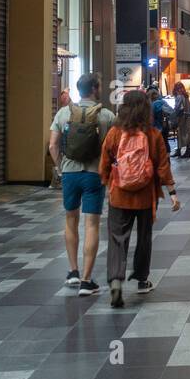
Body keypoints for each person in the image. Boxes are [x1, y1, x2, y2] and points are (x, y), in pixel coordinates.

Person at [99, 90, 179, 308]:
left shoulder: (115, 133)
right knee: (144, 237)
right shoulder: (152, 135)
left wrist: (107, 182)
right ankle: (142, 279)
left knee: (117, 238)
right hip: (145, 196)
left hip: (119, 195)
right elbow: (163, 166)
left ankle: (116, 279)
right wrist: (172, 193)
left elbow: (104, 161)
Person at [49, 73, 115, 297]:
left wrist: (60, 168)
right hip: (94, 174)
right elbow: (113, 148)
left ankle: (73, 271)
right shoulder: (106, 115)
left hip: (69, 173)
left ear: (78, 90)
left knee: (70, 219)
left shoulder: (64, 112)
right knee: (92, 224)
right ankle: (87, 281)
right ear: (95, 89)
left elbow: (52, 145)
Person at [172, 83, 190, 159]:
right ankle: (187, 151)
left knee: (180, 134)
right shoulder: (186, 95)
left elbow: (177, 108)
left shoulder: (179, 96)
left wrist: (173, 113)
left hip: (182, 118)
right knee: (187, 134)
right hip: (187, 117)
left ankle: (179, 151)